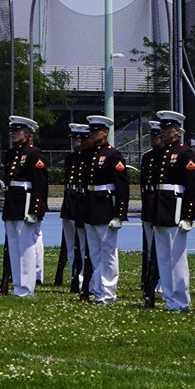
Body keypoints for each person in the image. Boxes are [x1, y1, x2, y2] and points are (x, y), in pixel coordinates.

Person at [139, 111, 195, 310]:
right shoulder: (158, 154)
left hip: (175, 208)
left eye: (166, 128)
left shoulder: (184, 153)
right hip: (159, 208)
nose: (162, 131)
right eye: (162, 128)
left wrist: (188, 216)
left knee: (177, 257)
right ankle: (169, 298)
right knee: (163, 258)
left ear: (176, 130)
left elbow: (191, 188)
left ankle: (181, 300)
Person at [76, 115, 128, 304]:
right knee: (95, 254)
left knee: (108, 253)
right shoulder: (90, 155)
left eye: (96, 131)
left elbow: (122, 187)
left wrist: (119, 214)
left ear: (105, 132)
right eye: (91, 130)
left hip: (106, 207)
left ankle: (108, 293)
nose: (92, 134)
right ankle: (98, 291)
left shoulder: (113, 155)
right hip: (91, 206)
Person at [0, 117, 49, 296]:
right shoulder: (11, 153)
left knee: (26, 247)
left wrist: (35, 210)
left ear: (28, 133)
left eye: (17, 130)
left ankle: (27, 289)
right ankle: (18, 286)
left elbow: (40, 185)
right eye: (12, 130)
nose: (13, 133)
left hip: (25, 202)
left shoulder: (35, 154)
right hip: (12, 202)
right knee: (13, 247)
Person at [58, 124, 89, 293]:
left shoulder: (89, 158)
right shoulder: (70, 158)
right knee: (71, 245)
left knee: (83, 245)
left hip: (82, 201)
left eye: (78, 138)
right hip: (69, 201)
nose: (75, 141)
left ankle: (83, 277)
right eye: (74, 138)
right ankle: (73, 276)